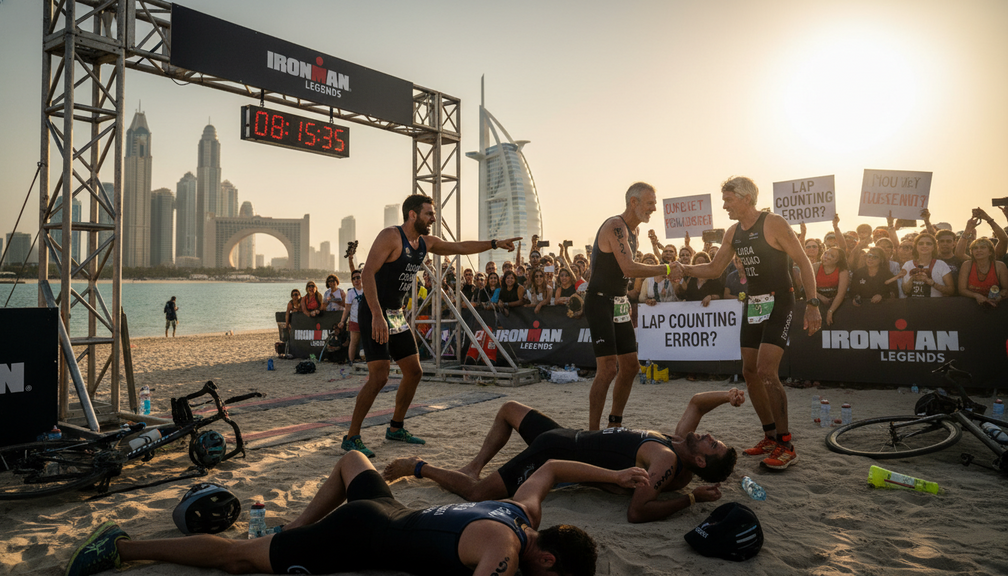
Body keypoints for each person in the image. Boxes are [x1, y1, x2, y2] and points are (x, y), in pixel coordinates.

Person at [65, 451, 638, 576]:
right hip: (358, 534)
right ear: (548, 559)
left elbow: (551, 468)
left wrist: (616, 477)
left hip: (386, 506)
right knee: (237, 560)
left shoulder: (520, 512)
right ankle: (121, 546)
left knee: (352, 461)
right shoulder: (505, 549)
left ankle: (296, 527)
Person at [384, 389, 742, 524]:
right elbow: (696, 402)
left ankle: (417, 467)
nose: (708, 436)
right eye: (714, 438)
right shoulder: (680, 443)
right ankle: (473, 465)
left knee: (477, 493)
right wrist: (728, 396)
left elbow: (637, 512)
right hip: (566, 436)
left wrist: (691, 499)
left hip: (555, 449)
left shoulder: (667, 459)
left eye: (713, 445)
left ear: (700, 462)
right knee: (509, 409)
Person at [343, 194, 518, 458]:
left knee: (414, 371)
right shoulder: (391, 236)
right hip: (374, 311)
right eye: (429, 214)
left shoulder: (425, 243)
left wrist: (494, 243)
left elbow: (460, 247)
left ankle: (396, 427)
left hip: (396, 314)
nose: (433, 219)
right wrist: (377, 314)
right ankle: (352, 437)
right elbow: (367, 273)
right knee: (379, 377)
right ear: (412, 214)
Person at [674, 176, 820, 470]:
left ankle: (786, 444)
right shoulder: (733, 232)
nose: (725, 206)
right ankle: (769, 435)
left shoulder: (773, 223)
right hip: (754, 303)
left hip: (780, 300)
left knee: (767, 371)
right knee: (750, 371)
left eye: (728, 200)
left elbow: (803, 261)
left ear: (746, 199)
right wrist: (683, 268)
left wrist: (813, 303)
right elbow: (715, 268)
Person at [585, 182, 677, 431]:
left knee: (630, 366)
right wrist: (667, 268)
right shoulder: (616, 225)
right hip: (600, 301)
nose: (654, 209)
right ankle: (593, 432)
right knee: (607, 369)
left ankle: (614, 423)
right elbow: (628, 268)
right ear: (633, 202)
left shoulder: (634, 231)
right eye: (650, 203)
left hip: (619, 301)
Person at [897, 232, 955, 298]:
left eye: (928, 244)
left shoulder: (941, 265)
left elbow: (951, 291)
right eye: (921, 243)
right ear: (916, 247)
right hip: (913, 303)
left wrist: (931, 283)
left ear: (934, 247)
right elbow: (905, 291)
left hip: (935, 303)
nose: (924, 246)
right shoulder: (908, 265)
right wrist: (912, 279)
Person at [958, 237, 1007, 306]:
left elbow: (1006, 289)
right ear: (972, 252)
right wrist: (976, 295)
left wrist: (1000, 295)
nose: (978, 250)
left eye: (983, 247)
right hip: (972, 303)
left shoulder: (1000, 266)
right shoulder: (967, 265)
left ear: (990, 252)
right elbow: (962, 290)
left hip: (995, 304)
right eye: (975, 248)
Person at [813, 247, 850, 326]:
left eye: (832, 256)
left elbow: (841, 293)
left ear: (837, 260)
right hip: (818, 299)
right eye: (826, 253)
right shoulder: (815, 267)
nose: (826, 256)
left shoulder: (842, 271)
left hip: (836, 302)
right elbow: (808, 288)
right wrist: (821, 298)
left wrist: (831, 311)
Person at [338, 269, 365, 363]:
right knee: (354, 342)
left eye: (358, 277)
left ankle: (369, 361)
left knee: (368, 341)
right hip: (355, 320)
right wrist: (342, 321)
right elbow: (347, 309)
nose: (356, 280)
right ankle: (351, 361)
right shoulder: (350, 292)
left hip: (367, 320)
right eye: (354, 279)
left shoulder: (367, 289)